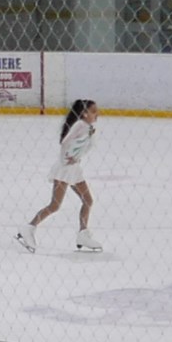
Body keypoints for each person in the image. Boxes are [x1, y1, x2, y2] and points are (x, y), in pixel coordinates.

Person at [16, 94, 104, 257]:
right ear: (84, 113)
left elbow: (80, 146)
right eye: (93, 111)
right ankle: (29, 228)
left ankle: (83, 234)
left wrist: (76, 156)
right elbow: (65, 141)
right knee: (55, 205)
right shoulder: (81, 125)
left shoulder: (87, 127)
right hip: (65, 169)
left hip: (74, 169)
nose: (97, 114)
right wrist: (65, 158)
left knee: (88, 200)